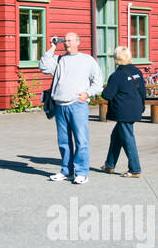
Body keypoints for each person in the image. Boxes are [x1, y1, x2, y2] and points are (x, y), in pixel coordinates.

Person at [39, 32, 103, 184]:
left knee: (81, 140)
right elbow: (43, 66)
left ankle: (81, 172)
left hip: (77, 105)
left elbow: (98, 81)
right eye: (65, 40)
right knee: (64, 141)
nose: (66, 43)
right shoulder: (59, 59)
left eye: (70, 40)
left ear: (77, 42)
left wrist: (88, 94)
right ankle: (66, 171)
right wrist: (52, 47)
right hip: (60, 105)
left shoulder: (87, 60)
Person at [99, 46, 146, 178]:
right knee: (116, 137)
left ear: (116, 58)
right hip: (135, 108)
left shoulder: (117, 75)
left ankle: (135, 169)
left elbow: (107, 95)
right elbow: (143, 91)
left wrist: (102, 90)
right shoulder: (137, 71)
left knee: (128, 139)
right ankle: (109, 164)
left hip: (123, 111)